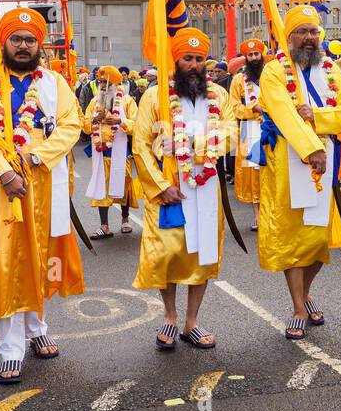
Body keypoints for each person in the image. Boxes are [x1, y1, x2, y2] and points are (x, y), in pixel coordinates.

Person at [0, 8, 84, 384]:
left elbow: (72, 124)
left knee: (42, 255)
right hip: (1, 185)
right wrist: (5, 173)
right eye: (15, 39)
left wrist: (35, 157)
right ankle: (10, 348)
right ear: (4, 43)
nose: (23, 46)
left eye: (30, 40)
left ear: (39, 45)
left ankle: (36, 326)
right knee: (8, 261)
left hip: (43, 180)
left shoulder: (54, 83)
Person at [132, 28, 235, 349]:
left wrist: (199, 144)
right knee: (168, 255)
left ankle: (192, 322)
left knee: (202, 254)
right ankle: (170, 317)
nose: (193, 64)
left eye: (199, 59)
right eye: (186, 58)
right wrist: (161, 186)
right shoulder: (155, 96)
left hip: (206, 185)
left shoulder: (219, 95)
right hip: (170, 188)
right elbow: (141, 145)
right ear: (175, 60)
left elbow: (231, 132)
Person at [256, 5, 341, 339]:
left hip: (324, 159)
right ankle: (298, 307)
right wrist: (310, 147)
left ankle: (306, 292)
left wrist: (315, 116)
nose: (310, 38)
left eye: (314, 31)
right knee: (292, 238)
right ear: (290, 37)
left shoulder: (330, 69)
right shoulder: (273, 71)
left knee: (317, 238)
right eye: (302, 32)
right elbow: (283, 114)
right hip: (288, 160)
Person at [82, 65, 139, 237]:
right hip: (100, 152)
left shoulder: (127, 101)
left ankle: (125, 220)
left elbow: (137, 125)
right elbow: (84, 126)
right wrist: (93, 120)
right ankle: (104, 226)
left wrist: (120, 121)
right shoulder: (94, 102)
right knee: (101, 186)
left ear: (115, 84)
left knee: (124, 185)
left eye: (105, 83)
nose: (102, 86)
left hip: (121, 152)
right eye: (100, 82)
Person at [228, 39, 266, 231]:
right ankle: (257, 216)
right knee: (253, 174)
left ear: (261, 55)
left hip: (272, 129)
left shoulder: (271, 75)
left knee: (272, 171)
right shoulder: (238, 80)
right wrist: (254, 109)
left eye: (256, 54)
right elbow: (235, 108)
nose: (253, 58)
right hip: (249, 131)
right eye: (250, 55)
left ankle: (272, 214)